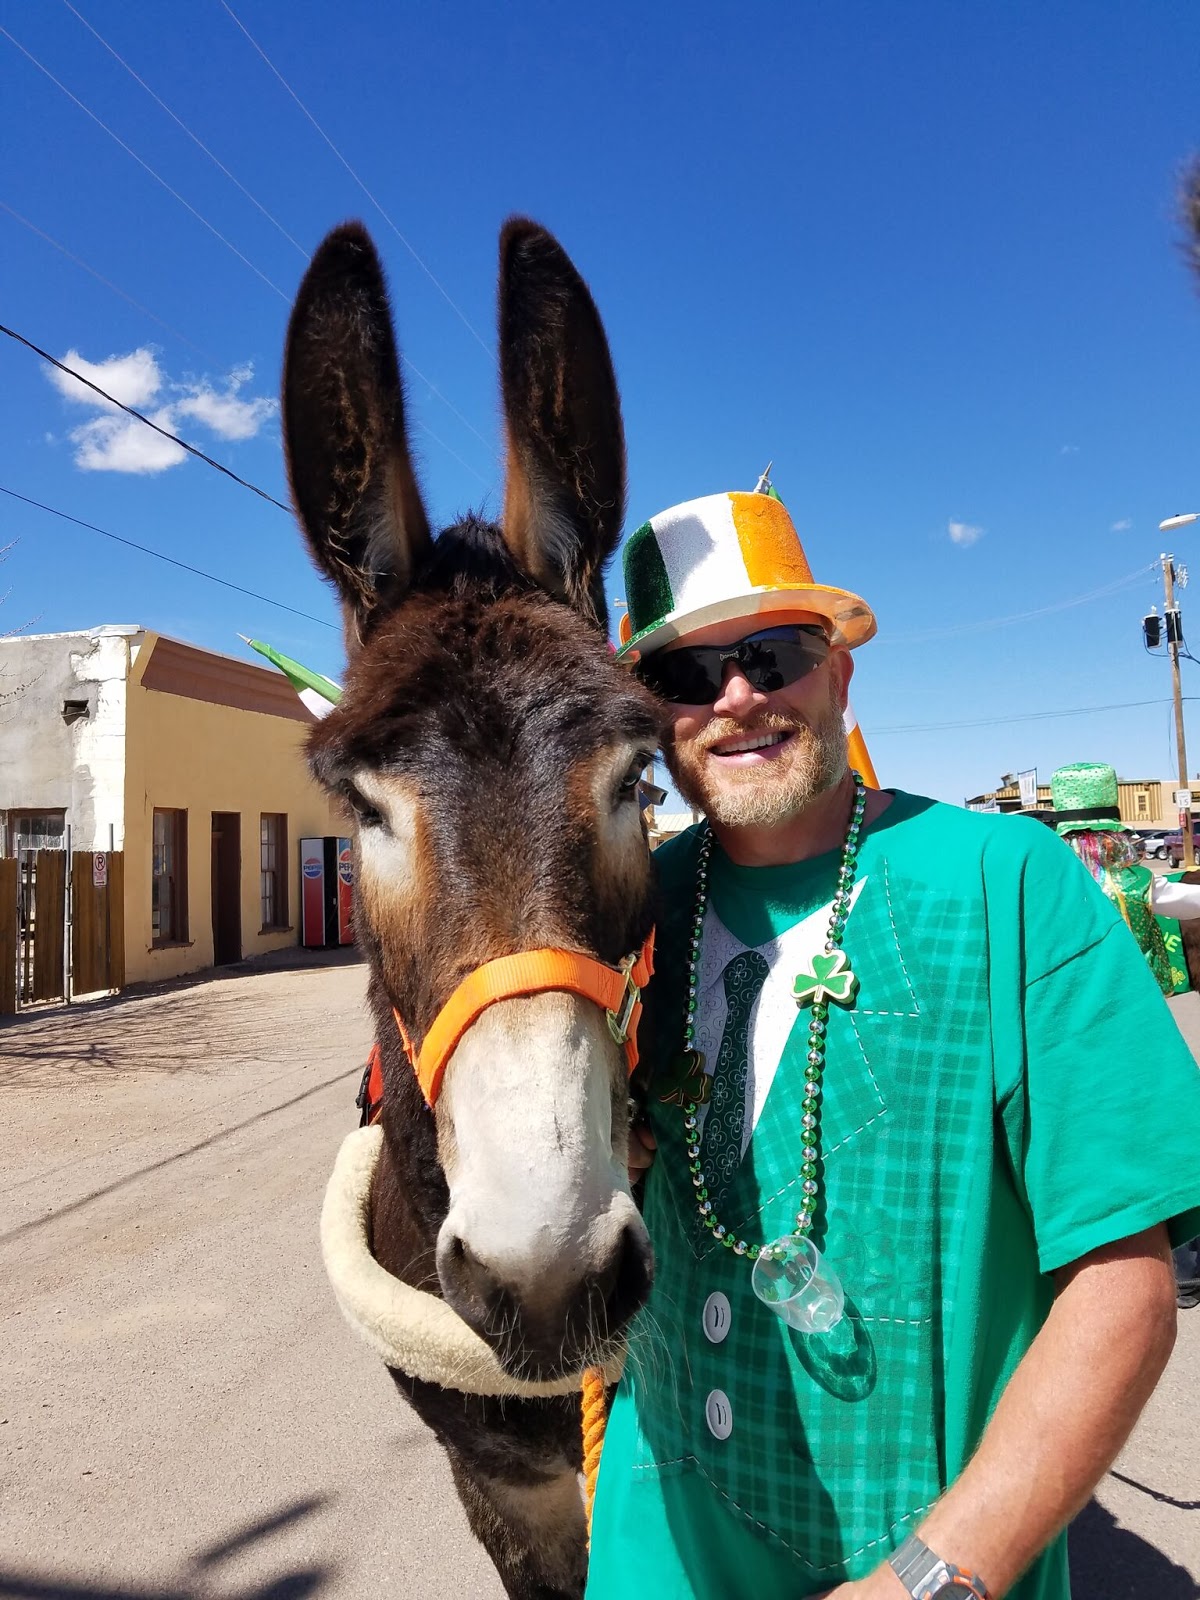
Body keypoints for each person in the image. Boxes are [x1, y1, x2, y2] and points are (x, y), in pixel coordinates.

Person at [585, 489, 1200, 1600]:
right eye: (687, 675)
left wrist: (929, 1580)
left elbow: (1124, 1286)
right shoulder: (623, 911)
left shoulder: (1012, 886)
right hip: (652, 1552)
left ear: (841, 672)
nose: (736, 697)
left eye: (773, 655)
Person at [1050, 760, 1200, 996]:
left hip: (1064, 998)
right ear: (1114, 835)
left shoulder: (1043, 881)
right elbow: (1189, 902)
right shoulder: (1133, 881)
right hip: (1127, 997)